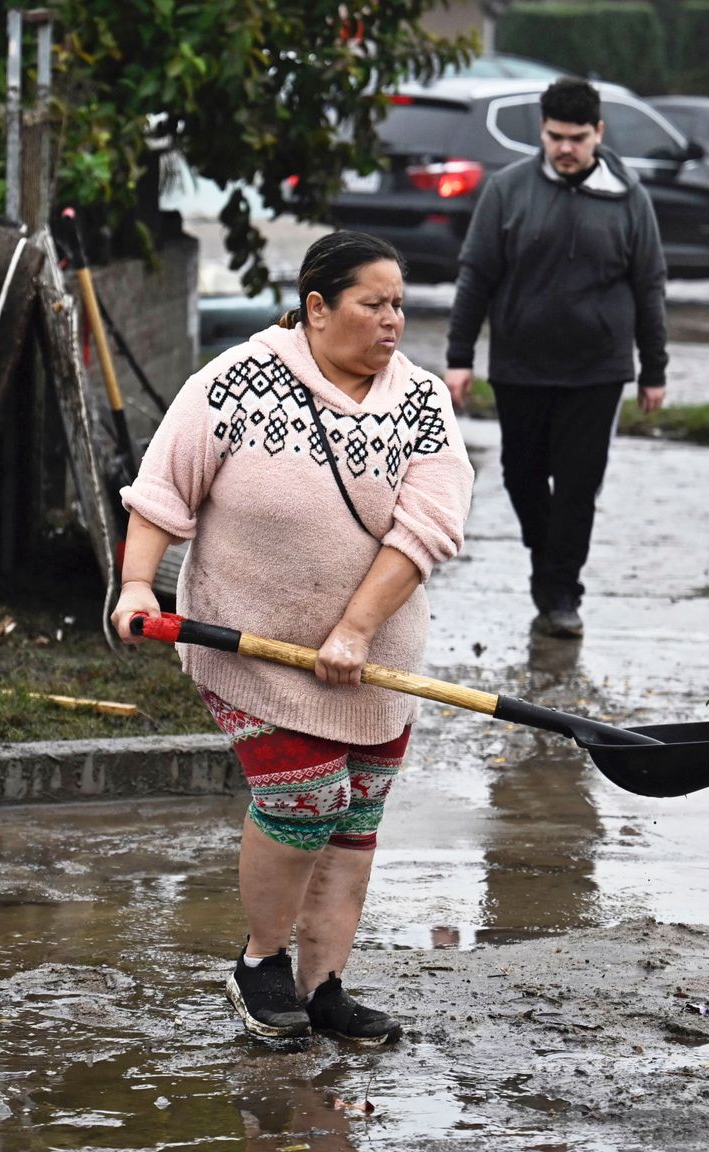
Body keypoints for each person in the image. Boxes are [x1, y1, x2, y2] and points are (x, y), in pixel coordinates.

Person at [112, 231, 473, 1044]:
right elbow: (163, 489)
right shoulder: (235, 383)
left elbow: (428, 528)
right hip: (254, 650)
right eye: (372, 304)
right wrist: (138, 584)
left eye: (399, 305)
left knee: (356, 817)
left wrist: (355, 631)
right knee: (304, 800)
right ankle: (260, 963)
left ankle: (325, 987)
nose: (392, 322)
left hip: (377, 660)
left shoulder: (420, 401)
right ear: (317, 308)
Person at [442, 77, 668, 639]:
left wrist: (654, 368)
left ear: (599, 133)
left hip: (598, 370)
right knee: (521, 477)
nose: (564, 148)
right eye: (554, 137)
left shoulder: (628, 197)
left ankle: (561, 593)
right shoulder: (507, 190)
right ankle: (549, 562)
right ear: (542, 132)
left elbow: (650, 286)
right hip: (521, 366)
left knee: (576, 487)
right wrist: (459, 356)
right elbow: (476, 277)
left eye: (576, 138)